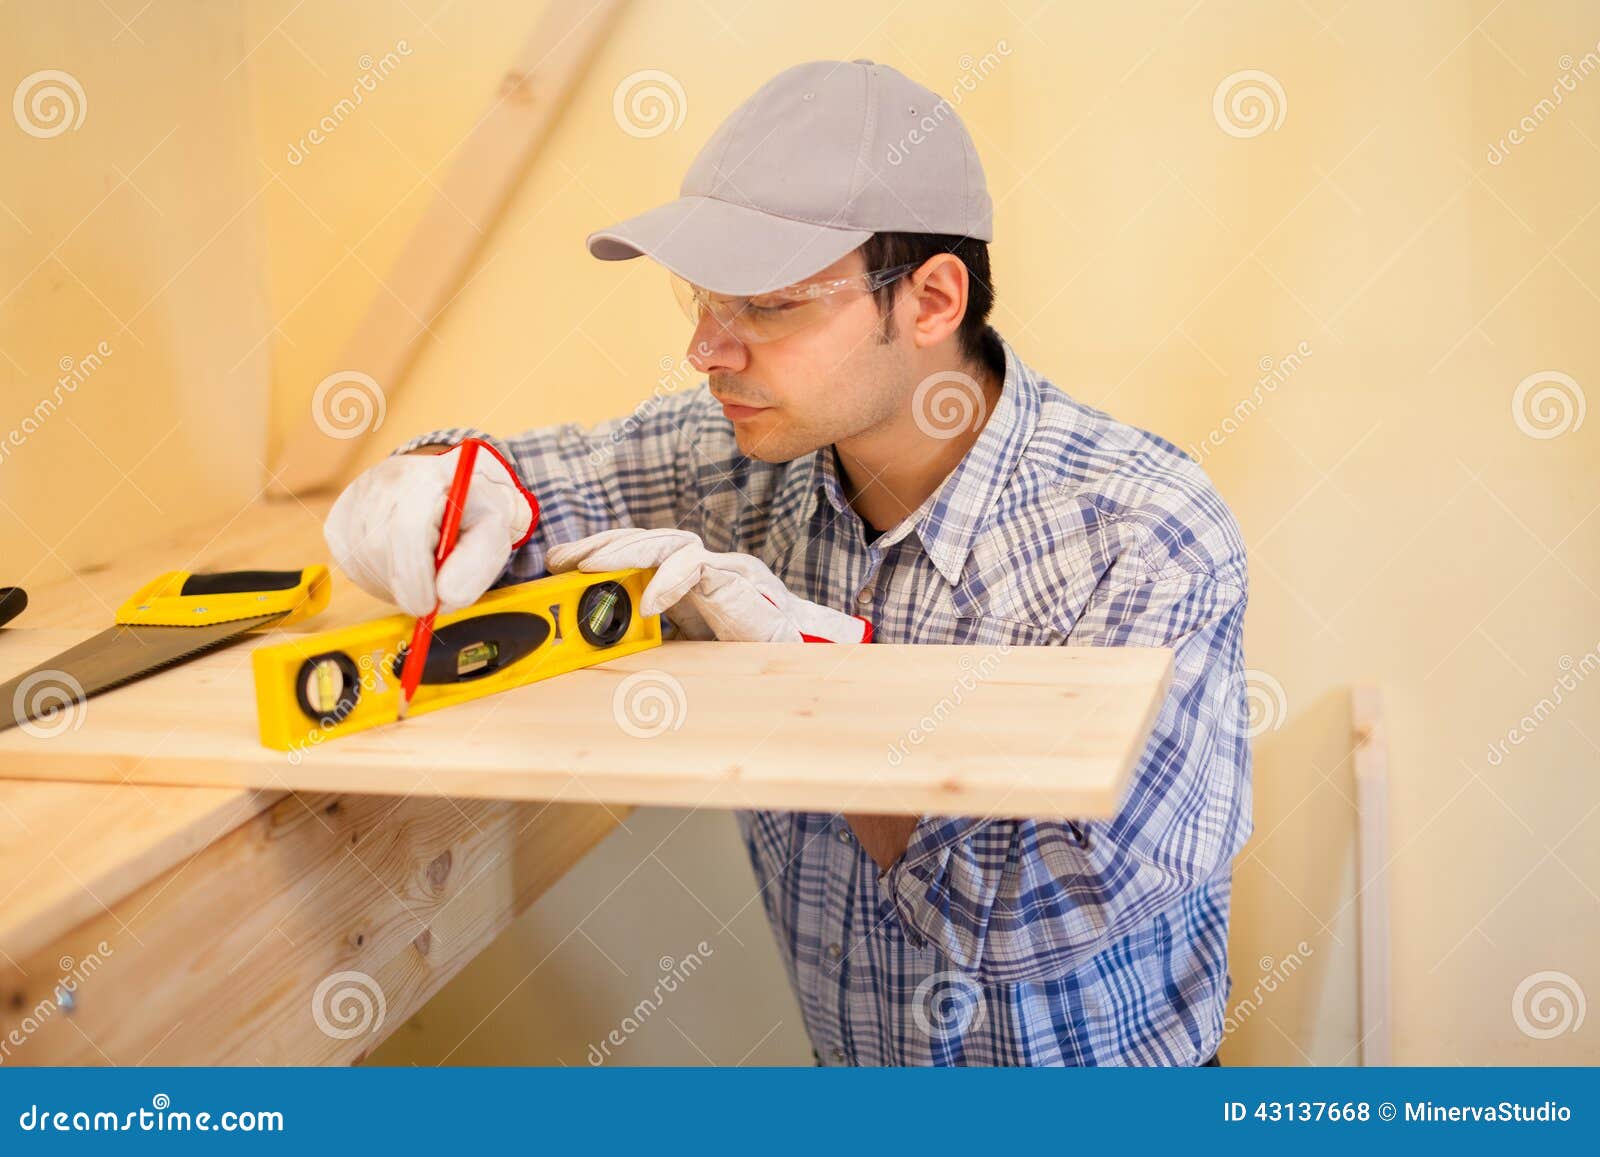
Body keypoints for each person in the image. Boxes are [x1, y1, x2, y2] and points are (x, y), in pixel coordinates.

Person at [325, 59, 1251, 1066]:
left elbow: (1034, 916)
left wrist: (823, 697)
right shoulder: (730, 461)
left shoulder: (1140, 534)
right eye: (701, 297)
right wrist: (433, 483)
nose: (706, 350)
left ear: (933, 299)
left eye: (765, 305)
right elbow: (528, 487)